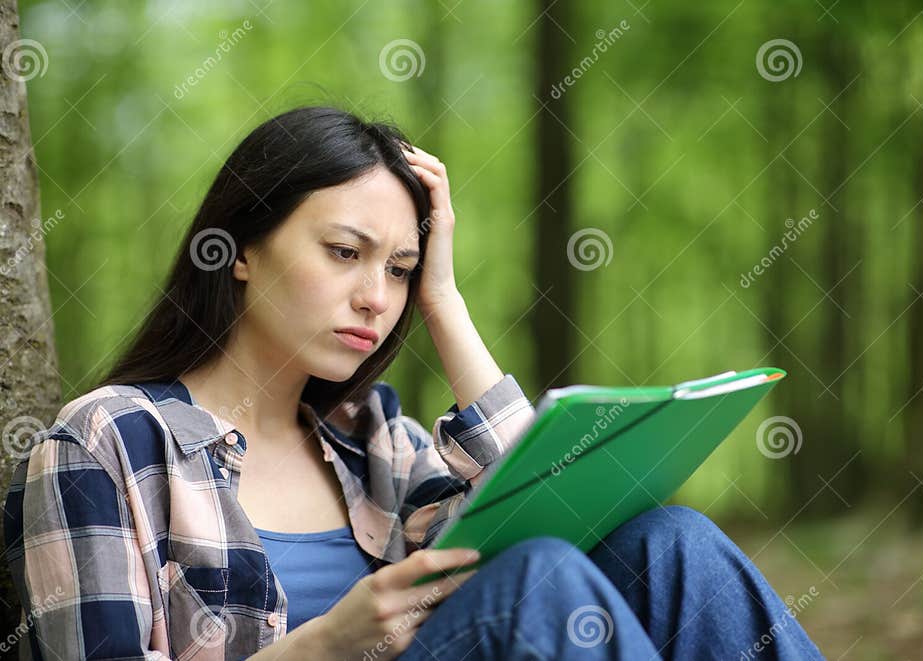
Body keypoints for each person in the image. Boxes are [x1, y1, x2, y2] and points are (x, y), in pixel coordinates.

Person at [2, 106, 825, 660]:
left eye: (398, 269)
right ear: (239, 249)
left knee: (668, 543)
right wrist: (322, 647)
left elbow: (565, 513)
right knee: (539, 581)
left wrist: (444, 299)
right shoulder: (107, 440)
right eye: (344, 252)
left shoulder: (376, 444)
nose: (376, 296)